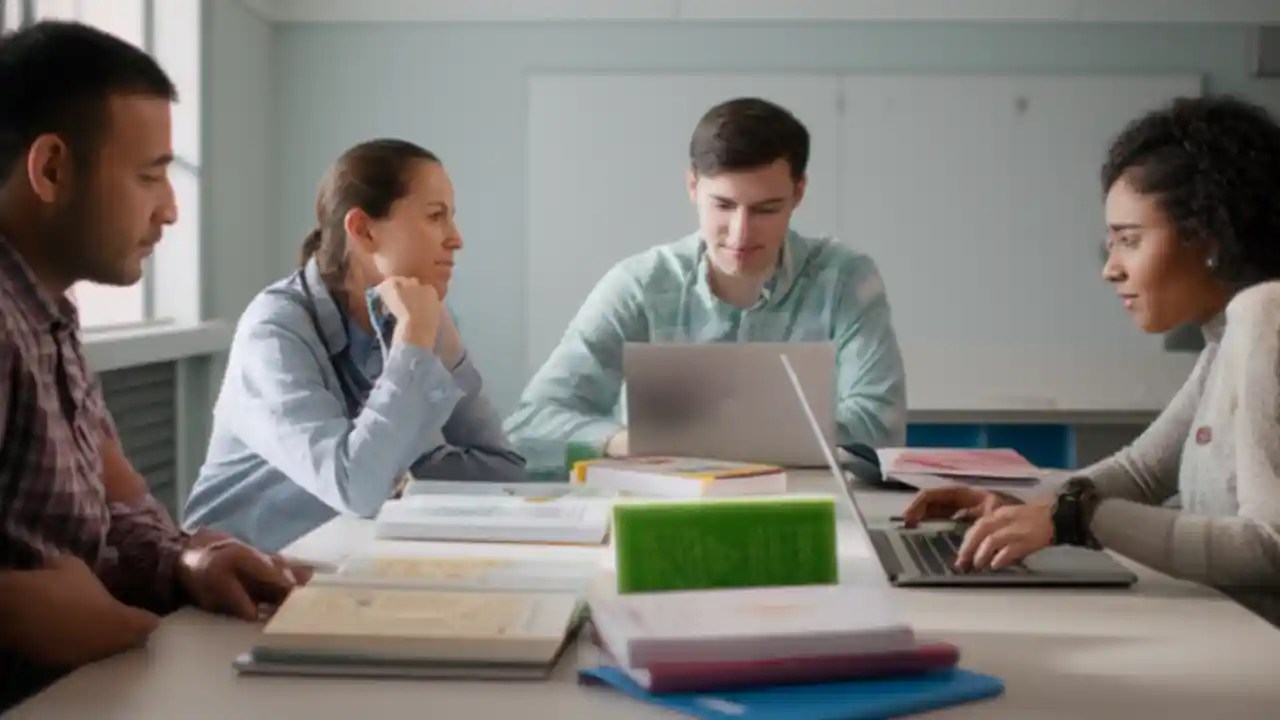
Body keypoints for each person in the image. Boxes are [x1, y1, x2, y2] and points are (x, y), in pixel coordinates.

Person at [0, 21, 303, 709]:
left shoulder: (50, 315)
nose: (169, 210)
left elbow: (121, 503)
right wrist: (14, 607)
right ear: (50, 169)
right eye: (149, 176)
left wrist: (186, 559)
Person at [903, 95, 1280, 625]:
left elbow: (1271, 547)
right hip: (1230, 635)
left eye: (1129, 241)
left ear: (1209, 237)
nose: (1111, 268)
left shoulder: (1268, 317)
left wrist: (1075, 519)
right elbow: (1141, 471)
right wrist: (1025, 505)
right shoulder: (1226, 336)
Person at [505, 97, 908, 466]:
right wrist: (627, 441)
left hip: (805, 504)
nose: (740, 234)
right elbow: (532, 421)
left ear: (799, 192)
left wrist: (698, 441)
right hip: (661, 507)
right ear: (693, 185)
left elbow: (880, 426)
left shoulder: (846, 279)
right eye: (723, 205)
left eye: (766, 209)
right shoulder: (639, 286)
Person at [183, 139, 524, 553]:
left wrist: (445, 351)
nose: (456, 239)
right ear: (363, 230)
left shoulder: (405, 317)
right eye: (437, 217)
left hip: (337, 569)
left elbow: (502, 473)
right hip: (236, 585)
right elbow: (357, 487)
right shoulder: (273, 332)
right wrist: (414, 345)